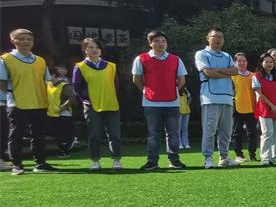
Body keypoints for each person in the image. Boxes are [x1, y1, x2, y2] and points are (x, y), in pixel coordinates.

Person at [1, 29, 57, 174]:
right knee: (16, 135)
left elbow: (47, 81)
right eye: (21, 39)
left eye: (29, 39)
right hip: (17, 103)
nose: (26, 42)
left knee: (38, 135)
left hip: (39, 102)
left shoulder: (40, 60)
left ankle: (40, 163)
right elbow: (2, 82)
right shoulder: (5, 60)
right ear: (13, 41)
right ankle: (17, 165)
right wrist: (6, 99)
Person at [132, 30, 187, 171]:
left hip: (172, 102)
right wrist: (145, 91)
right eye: (156, 41)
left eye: (163, 41)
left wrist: (173, 90)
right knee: (153, 134)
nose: (160, 44)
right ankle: (152, 161)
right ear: (150, 43)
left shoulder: (176, 59)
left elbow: (181, 79)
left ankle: (174, 160)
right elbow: (136, 79)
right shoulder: (141, 59)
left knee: (173, 133)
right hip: (151, 102)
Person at [72, 38, 122, 170]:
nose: (94, 50)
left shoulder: (111, 66)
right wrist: (87, 100)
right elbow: (77, 87)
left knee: (115, 134)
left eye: (97, 47)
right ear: (85, 50)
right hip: (92, 106)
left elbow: (116, 85)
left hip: (111, 104)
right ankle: (95, 161)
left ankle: (116, 160)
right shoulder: (80, 67)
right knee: (94, 134)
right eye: (91, 47)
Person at [195, 27, 240, 169]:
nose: (218, 39)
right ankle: (208, 158)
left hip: (227, 97)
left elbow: (235, 71)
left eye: (221, 36)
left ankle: (224, 157)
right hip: (210, 97)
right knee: (210, 130)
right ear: (208, 38)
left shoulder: (226, 56)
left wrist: (218, 70)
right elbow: (209, 73)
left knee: (226, 131)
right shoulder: (202, 54)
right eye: (215, 36)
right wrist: (226, 72)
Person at [252, 53, 276, 166]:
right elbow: (259, 94)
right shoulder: (256, 76)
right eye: (266, 62)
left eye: (271, 62)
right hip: (265, 108)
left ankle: (275, 156)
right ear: (261, 63)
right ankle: (265, 157)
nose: (269, 64)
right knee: (268, 132)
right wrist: (271, 105)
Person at [230, 52, 257, 163]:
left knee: (252, 132)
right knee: (237, 132)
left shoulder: (253, 76)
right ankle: (239, 154)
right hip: (237, 106)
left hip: (251, 107)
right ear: (235, 63)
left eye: (244, 61)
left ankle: (252, 154)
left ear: (247, 62)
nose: (242, 63)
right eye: (239, 61)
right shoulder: (232, 75)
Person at [46, 64, 77, 158]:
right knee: (56, 133)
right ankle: (66, 146)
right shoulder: (48, 84)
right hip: (51, 113)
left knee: (61, 135)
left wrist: (62, 108)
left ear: (53, 75)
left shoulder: (63, 85)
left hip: (63, 114)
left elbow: (72, 97)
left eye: (48, 75)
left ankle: (65, 150)